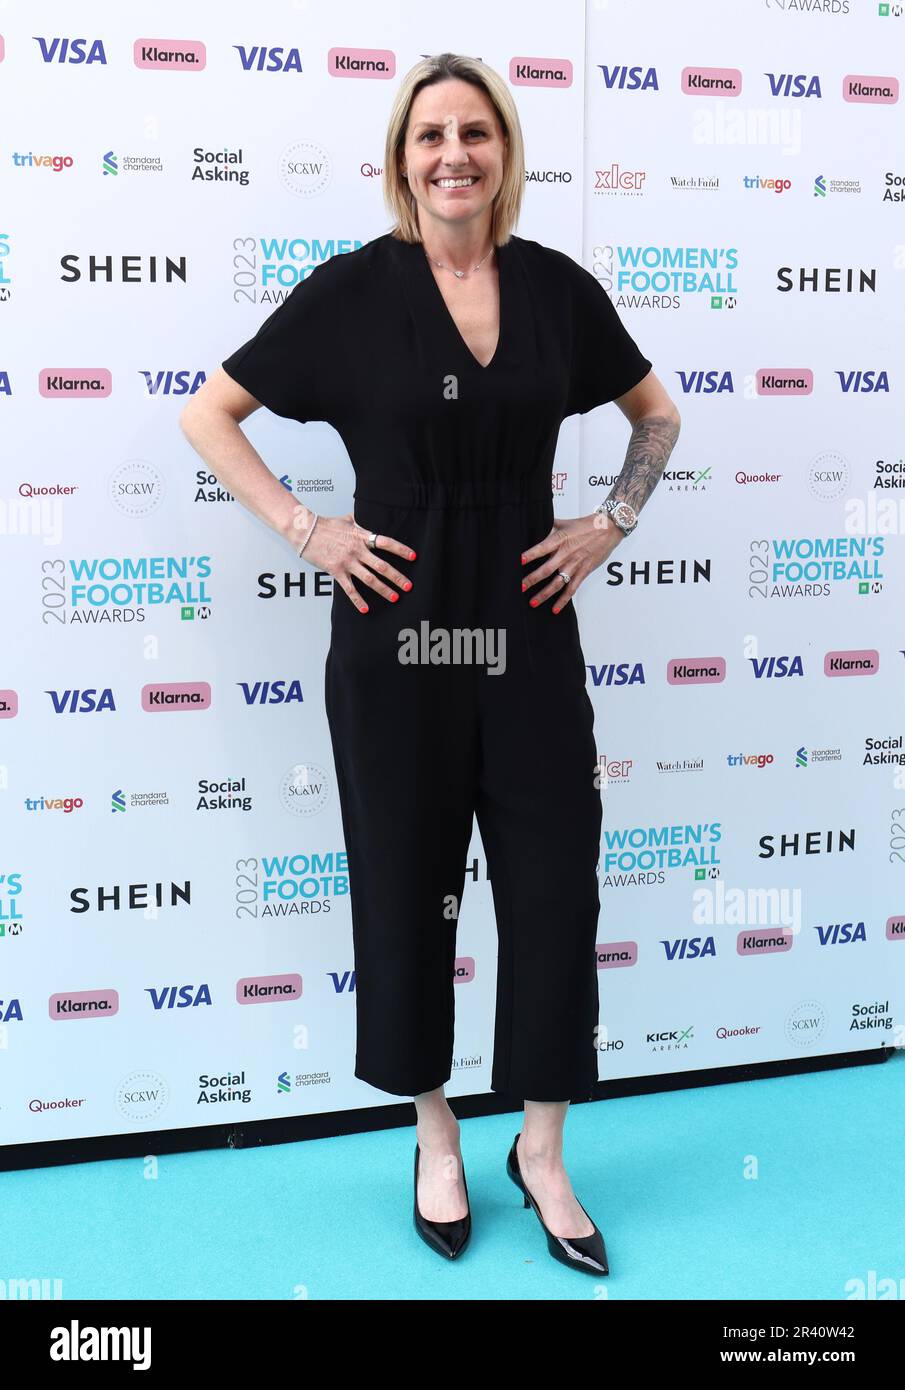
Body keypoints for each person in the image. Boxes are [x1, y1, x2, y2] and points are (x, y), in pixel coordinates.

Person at [180, 51, 681, 1275]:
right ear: (399, 161)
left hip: (526, 629)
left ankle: (543, 1149)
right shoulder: (352, 294)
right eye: (428, 135)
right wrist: (308, 530)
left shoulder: (558, 292)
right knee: (407, 887)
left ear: (504, 152)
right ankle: (436, 1131)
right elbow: (209, 413)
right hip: (394, 637)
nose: (452, 153)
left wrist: (608, 522)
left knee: (555, 887)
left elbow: (656, 414)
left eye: (475, 132)